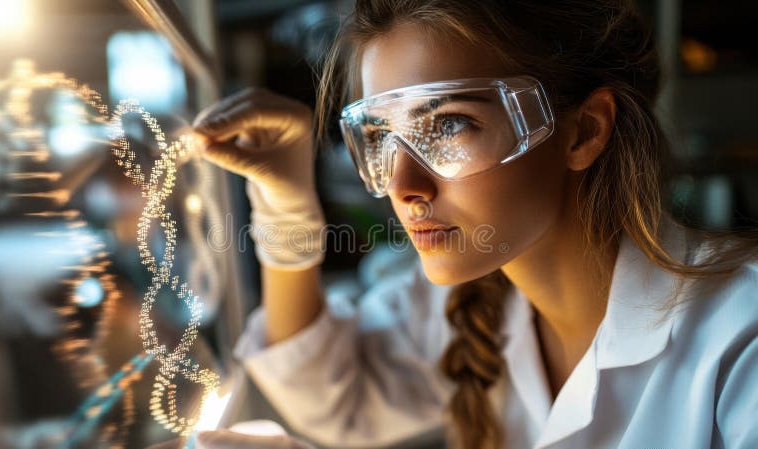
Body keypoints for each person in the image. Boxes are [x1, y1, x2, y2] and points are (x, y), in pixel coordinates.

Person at [186, 0, 758, 448]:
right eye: (381, 138)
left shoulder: (740, 338)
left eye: (449, 126)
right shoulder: (470, 307)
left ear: (584, 131)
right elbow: (333, 397)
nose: (404, 185)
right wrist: (289, 221)